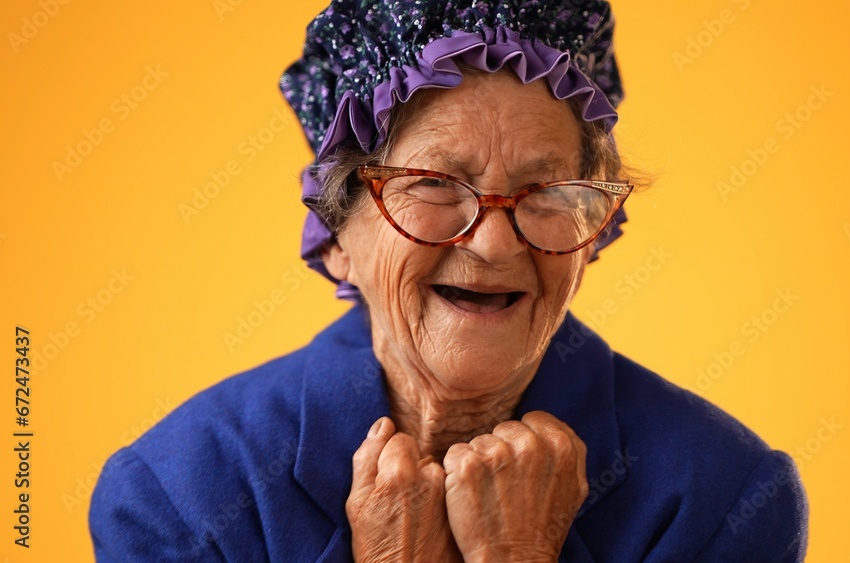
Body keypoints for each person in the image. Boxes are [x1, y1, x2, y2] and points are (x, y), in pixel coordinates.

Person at [89, 0, 808, 560]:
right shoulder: (179, 496)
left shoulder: (724, 496)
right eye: (435, 183)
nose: (495, 243)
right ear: (338, 239)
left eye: (547, 189)